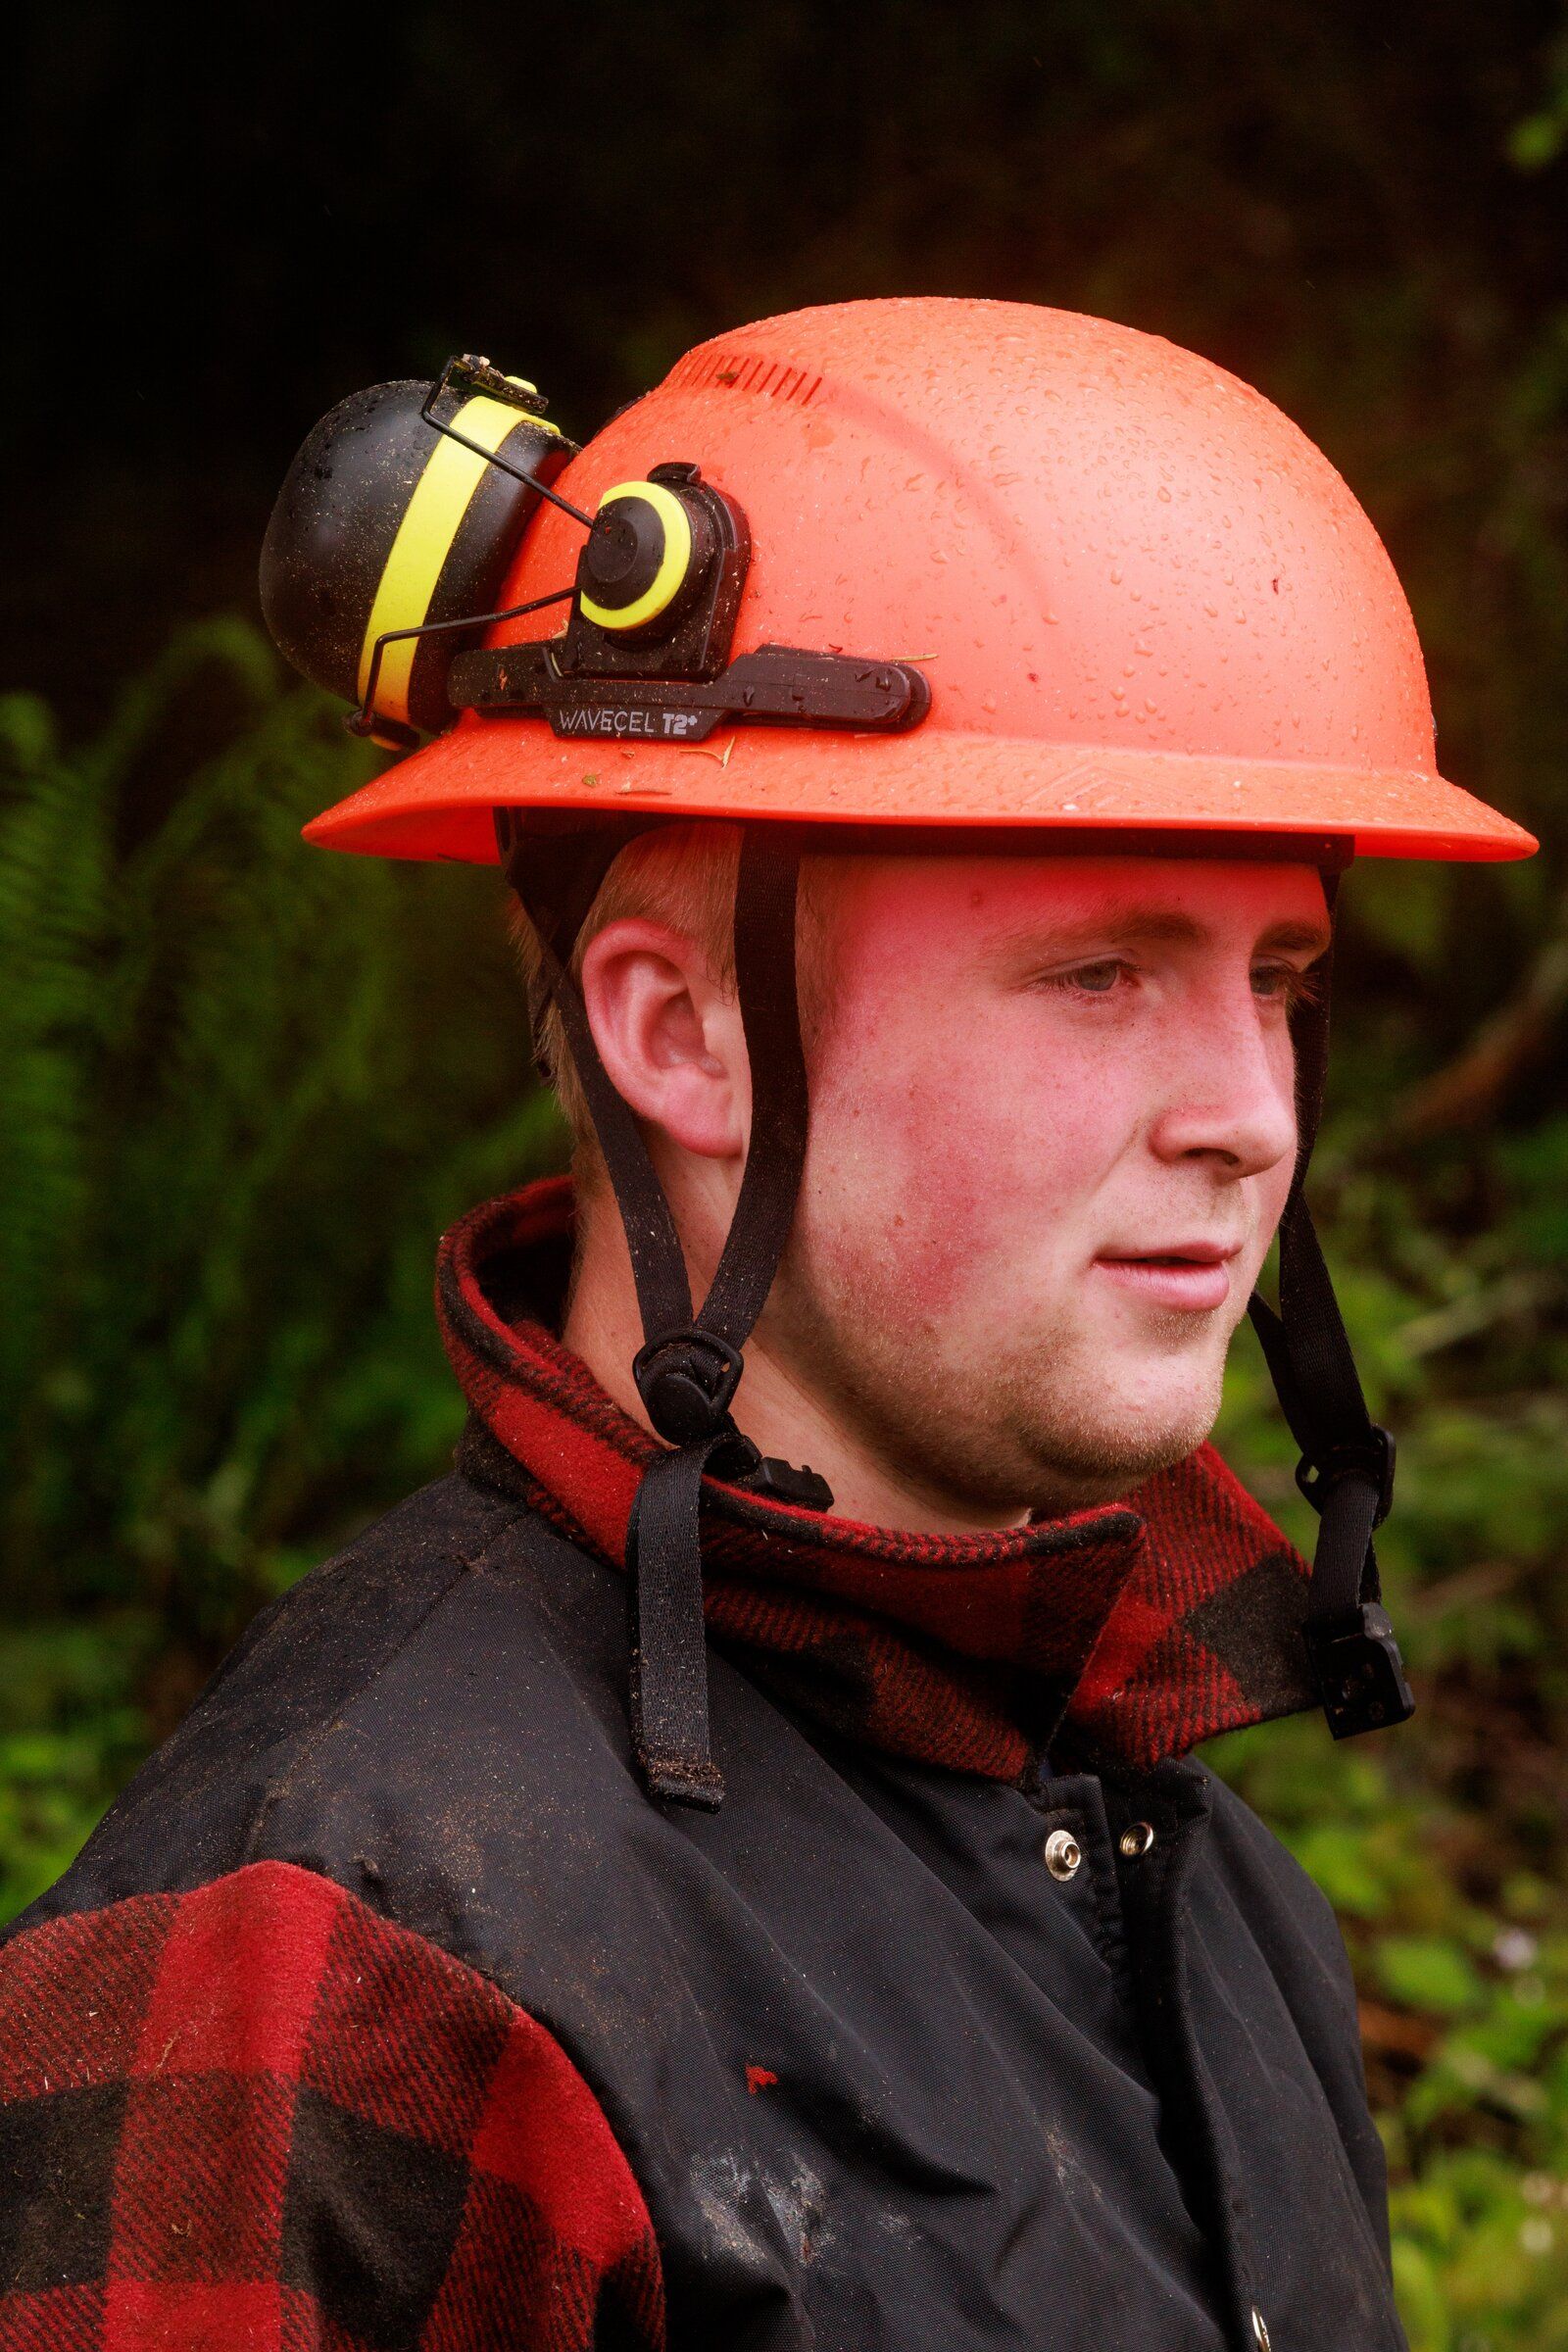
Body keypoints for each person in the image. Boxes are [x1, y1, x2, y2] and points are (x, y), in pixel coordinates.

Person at [0, 299, 1534, 2351]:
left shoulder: (1202, 1886)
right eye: (1099, 974)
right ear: (682, 1030)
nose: (1246, 1119)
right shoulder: (341, 1978)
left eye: (1270, 979)